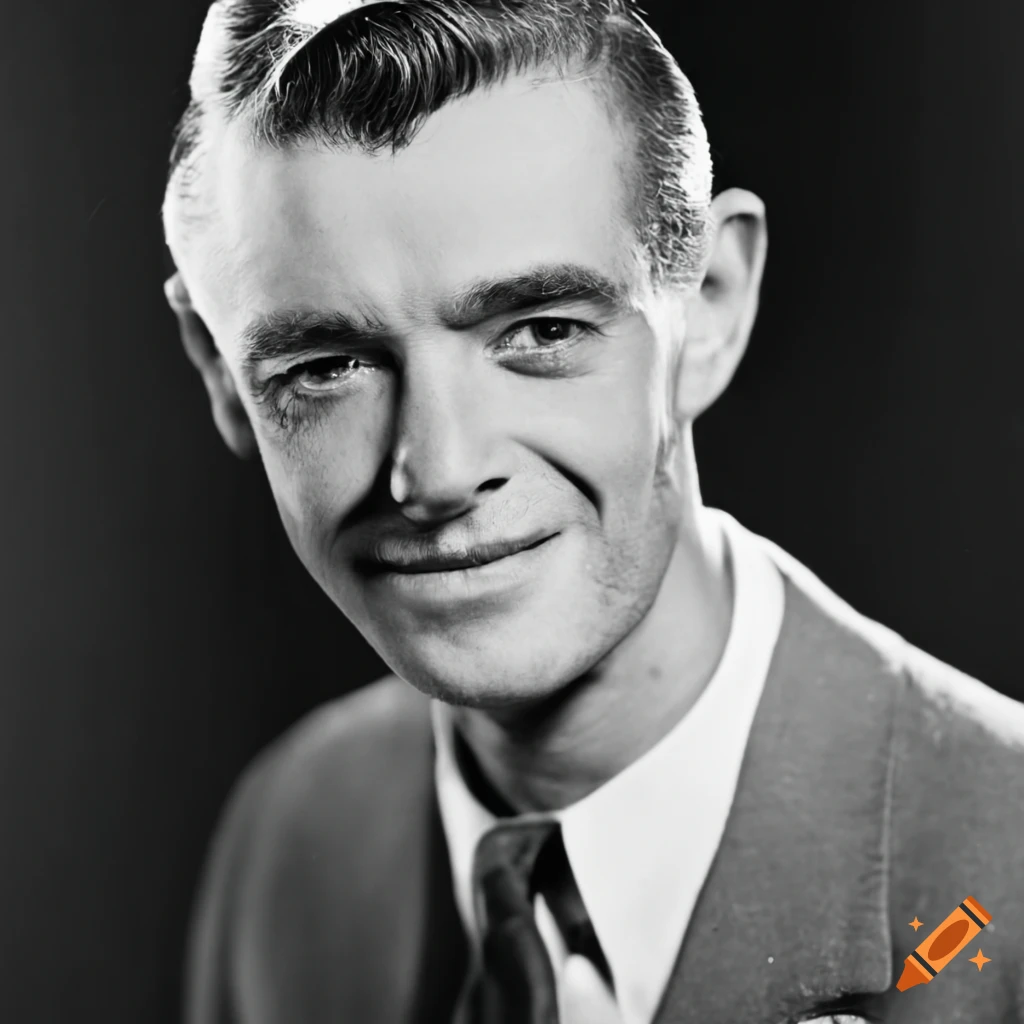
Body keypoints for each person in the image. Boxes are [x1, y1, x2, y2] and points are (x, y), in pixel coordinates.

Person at [161, 2, 1024, 1022]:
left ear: (709, 302)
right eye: (328, 366)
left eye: (539, 330)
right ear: (221, 373)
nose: (435, 471)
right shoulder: (291, 831)